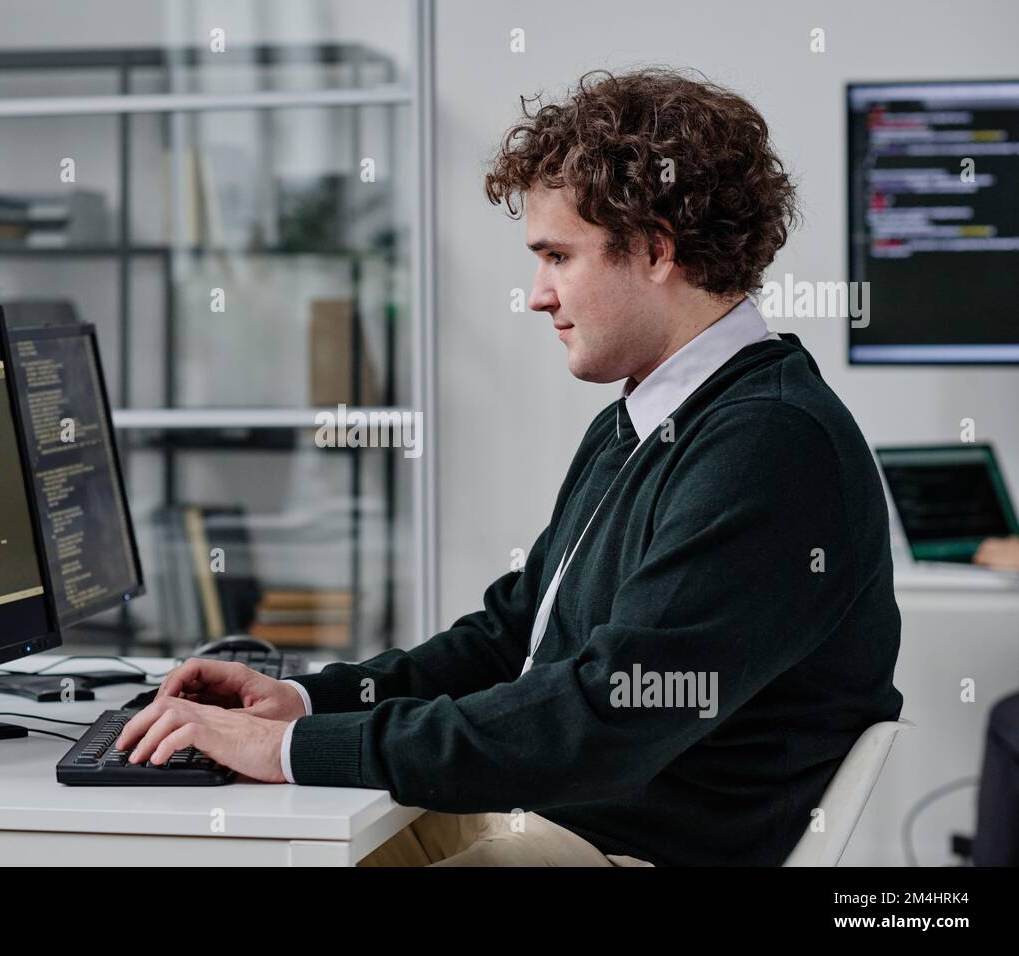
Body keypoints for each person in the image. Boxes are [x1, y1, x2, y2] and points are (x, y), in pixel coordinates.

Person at [116, 68, 904, 866]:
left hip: (624, 849)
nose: (537, 295)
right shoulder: (646, 420)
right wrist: (307, 701)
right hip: (556, 819)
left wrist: (292, 750)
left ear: (657, 249)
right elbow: (511, 638)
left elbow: (598, 721)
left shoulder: (769, 447)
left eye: (559, 256)